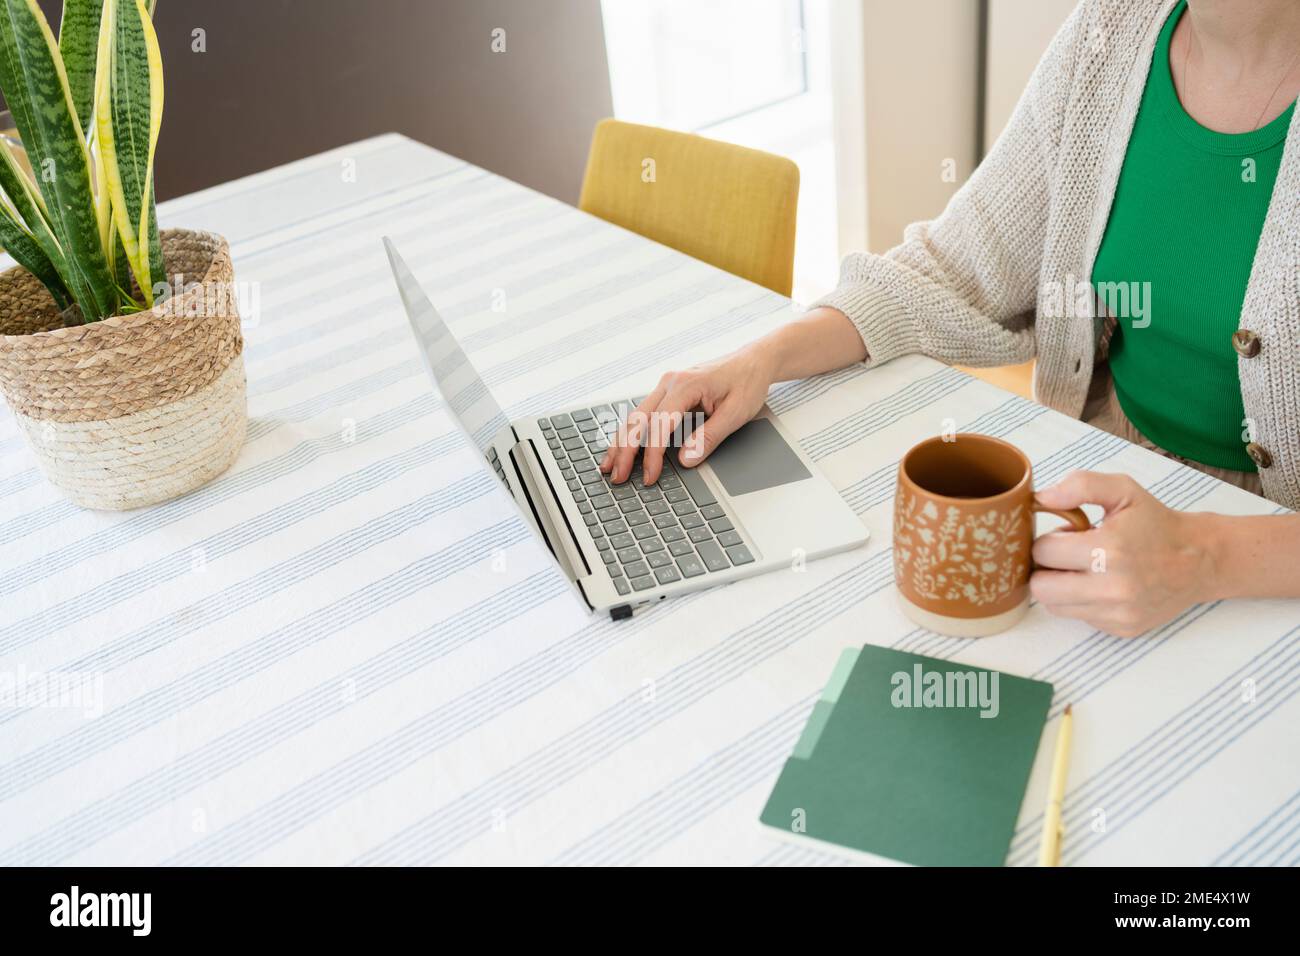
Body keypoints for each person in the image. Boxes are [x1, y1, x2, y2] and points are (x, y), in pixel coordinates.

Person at [600, 0, 1300, 637]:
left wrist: (1205, 555)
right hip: (1101, 491)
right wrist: (762, 360)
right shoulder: (1109, 34)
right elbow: (952, 270)